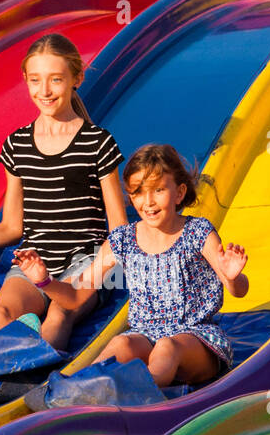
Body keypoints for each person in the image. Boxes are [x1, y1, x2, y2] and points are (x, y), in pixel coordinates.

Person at [0, 33, 129, 350]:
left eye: (56, 80)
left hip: (83, 262)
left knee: (60, 313)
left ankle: (31, 378)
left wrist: (96, 274)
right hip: (33, 260)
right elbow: (12, 227)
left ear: (77, 78)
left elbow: (118, 229)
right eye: (35, 80)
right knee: (1, 314)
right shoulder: (17, 145)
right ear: (26, 81)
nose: (44, 91)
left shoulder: (96, 143)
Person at [14, 143, 248, 387]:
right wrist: (44, 280)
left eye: (158, 190)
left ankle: (142, 393)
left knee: (168, 347)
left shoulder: (198, 232)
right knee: (120, 344)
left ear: (179, 192)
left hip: (195, 340)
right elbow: (74, 297)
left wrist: (231, 277)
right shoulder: (123, 240)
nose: (148, 201)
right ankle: (77, 390)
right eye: (137, 192)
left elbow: (238, 290)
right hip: (145, 336)